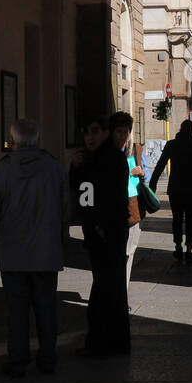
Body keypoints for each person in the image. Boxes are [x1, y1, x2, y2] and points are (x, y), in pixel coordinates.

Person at [0, 119, 69, 378]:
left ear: (12, 141)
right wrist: (60, 240)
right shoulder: (55, 169)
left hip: (13, 253)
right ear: (37, 139)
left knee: (16, 311)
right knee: (46, 307)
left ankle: (18, 359)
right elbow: (66, 211)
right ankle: (48, 358)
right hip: (46, 252)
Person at [70, 114, 131, 356]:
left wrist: (98, 227)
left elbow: (94, 198)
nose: (90, 137)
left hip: (106, 232)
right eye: (86, 132)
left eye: (95, 131)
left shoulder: (107, 159)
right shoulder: (98, 158)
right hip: (105, 231)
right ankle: (114, 342)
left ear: (105, 133)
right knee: (110, 287)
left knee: (105, 289)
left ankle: (100, 343)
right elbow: (83, 195)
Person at [149, 120, 192, 265]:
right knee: (190, 219)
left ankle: (178, 246)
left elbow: (160, 164)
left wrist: (153, 183)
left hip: (175, 188)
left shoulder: (172, 144)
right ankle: (189, 250)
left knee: (177, 219)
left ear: (180, 129)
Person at [110, 112, 145, 293]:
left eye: (126, 131)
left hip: (133, 206)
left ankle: (122, 291)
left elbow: (143, 174)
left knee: (129, 252)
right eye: (119, 131)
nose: (123, 135)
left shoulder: (134, 150)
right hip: (113, 208)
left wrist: (141, 173)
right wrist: (128, 174)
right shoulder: (108, 154)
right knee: (116, 254)